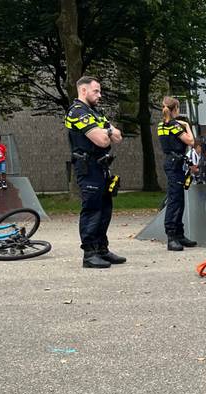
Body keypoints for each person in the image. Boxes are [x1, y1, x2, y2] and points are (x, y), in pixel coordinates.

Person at [64, 75, 125, 269]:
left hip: (102, 167)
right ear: (83, 90)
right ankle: (90, 254)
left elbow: (118, 137)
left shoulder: (95, 113)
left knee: (105, 209)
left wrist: (105, 130)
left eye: (99, 91)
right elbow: (102, 140)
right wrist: (107, 130)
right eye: (96, 91)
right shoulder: (77, 112)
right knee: (92, 210)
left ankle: (102, 249)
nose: (100, 94)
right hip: (88, 167)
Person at [157, 96, 198, 251]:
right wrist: (187, 125)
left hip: (173, 162)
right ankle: (172, 236)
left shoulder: (162, 125)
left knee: (179, 199)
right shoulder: (174, 125)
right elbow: (191, 141)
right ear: (175, 109)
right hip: (175, 164)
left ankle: (179, 234)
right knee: (175, 200)